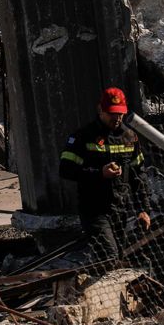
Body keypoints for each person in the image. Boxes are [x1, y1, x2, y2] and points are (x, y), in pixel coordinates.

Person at [59, 86, 151, 267]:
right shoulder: (83, 137)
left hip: (120, 209)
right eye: (112, 113)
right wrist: (99, 173)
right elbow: (66, 170)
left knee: (117, 257)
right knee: (109, 255)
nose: (116, 118)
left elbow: (138, 175)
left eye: (120, 114)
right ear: (100, 110)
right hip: (94, 210)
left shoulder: (129, 137)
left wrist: (143, 208)